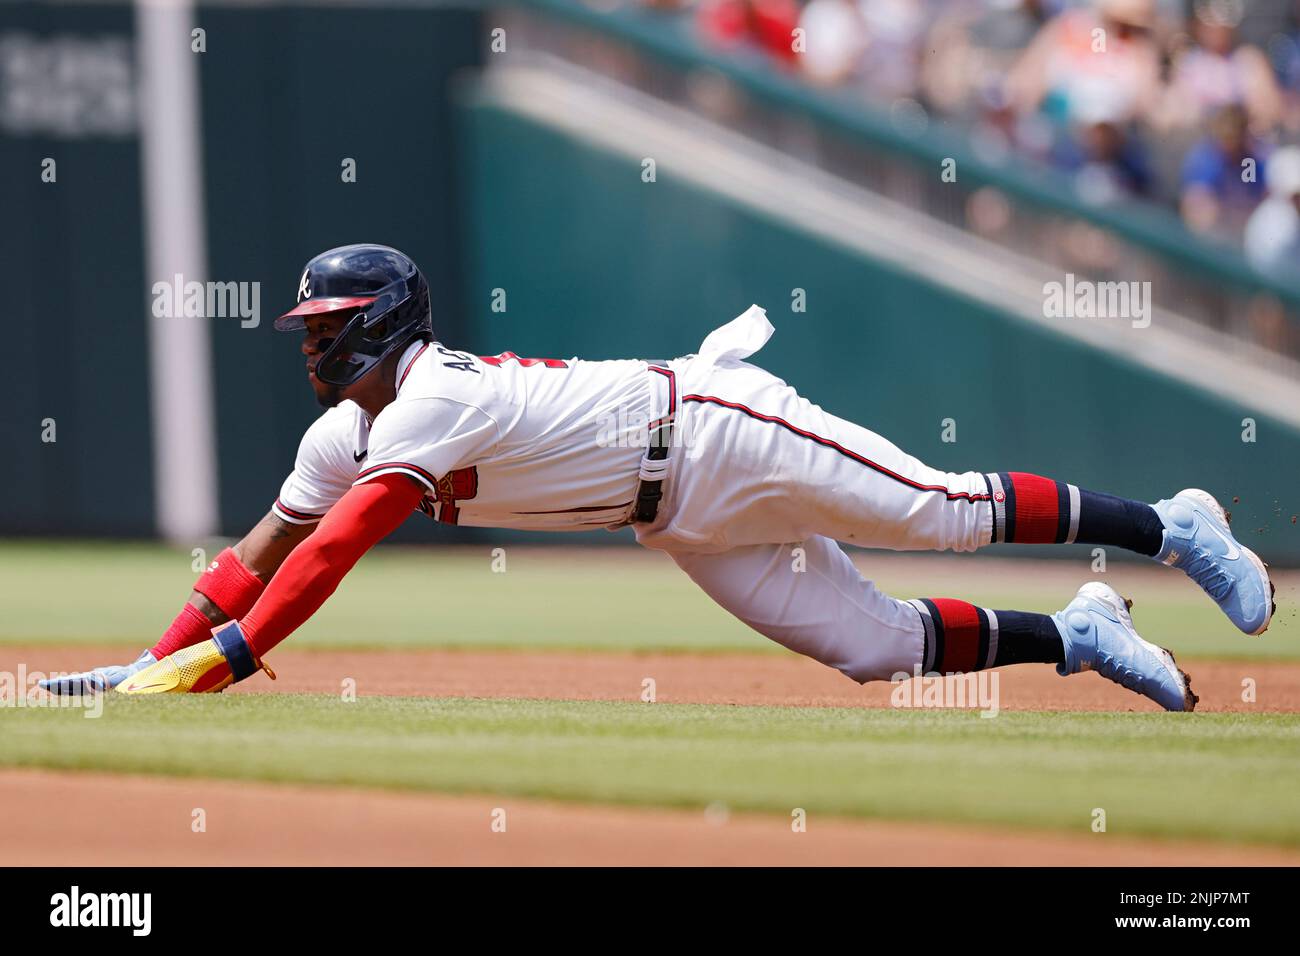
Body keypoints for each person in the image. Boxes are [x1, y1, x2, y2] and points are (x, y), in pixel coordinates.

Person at [43, 244, 1275, 710]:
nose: (313, 339)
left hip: (714, 426)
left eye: (331, 319)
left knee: (940, 512)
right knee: (872, 648)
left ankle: (1170, 525)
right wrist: (158, 656)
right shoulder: (341, 434)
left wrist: (239, 656)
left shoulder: (435, 388)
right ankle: (1077, 634)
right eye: (309, 323)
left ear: (385, 320)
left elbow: (332, 552)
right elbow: (255, 558)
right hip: (675, 511)